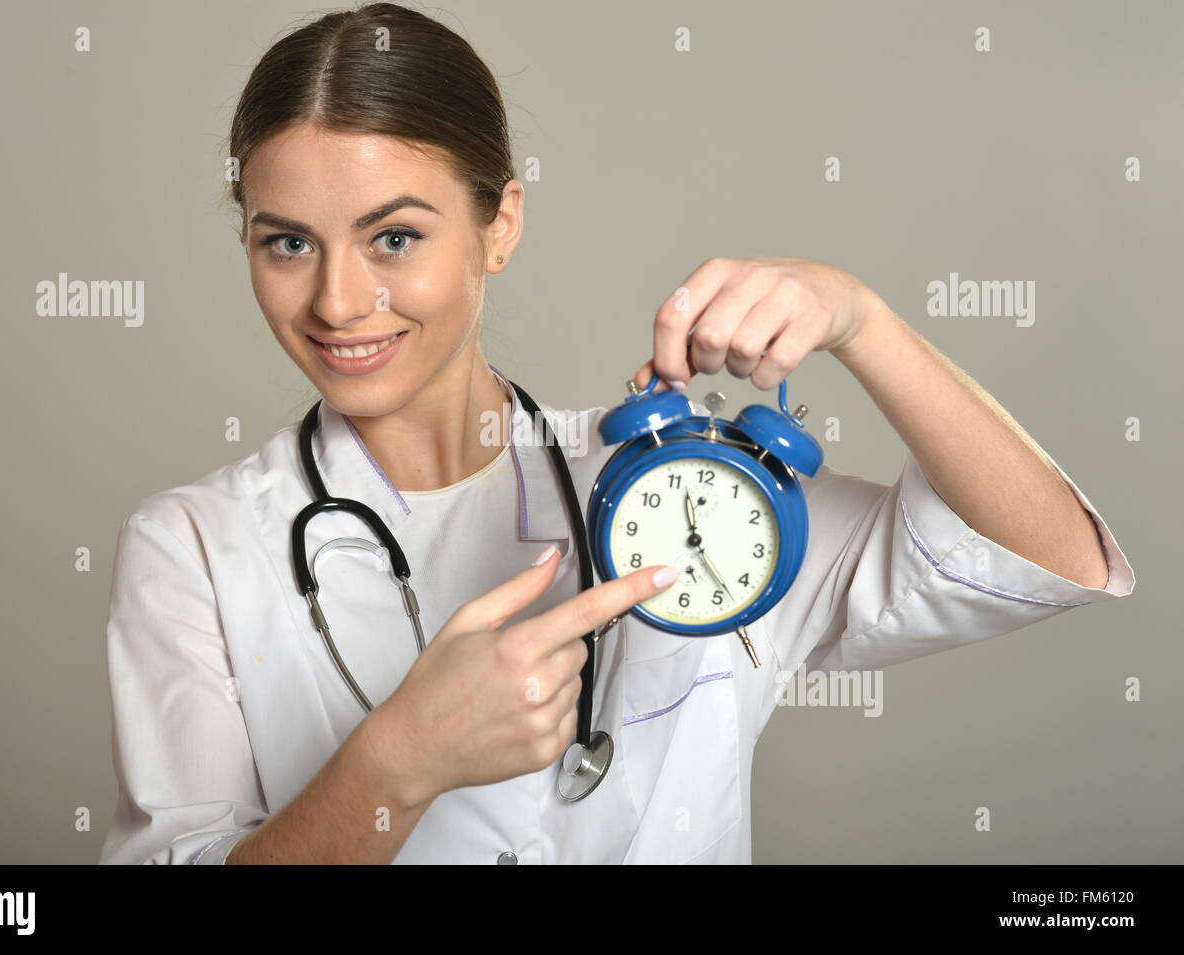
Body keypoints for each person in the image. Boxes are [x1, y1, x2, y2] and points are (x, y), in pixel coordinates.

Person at [99, 2, 1135, 865]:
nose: (337, 300)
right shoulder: (191, 547)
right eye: (286, 242)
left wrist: (861, 319)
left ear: (499, 224)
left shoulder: (690, 496)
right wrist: (394, 764)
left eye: (395, 237)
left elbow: (1048, 555)